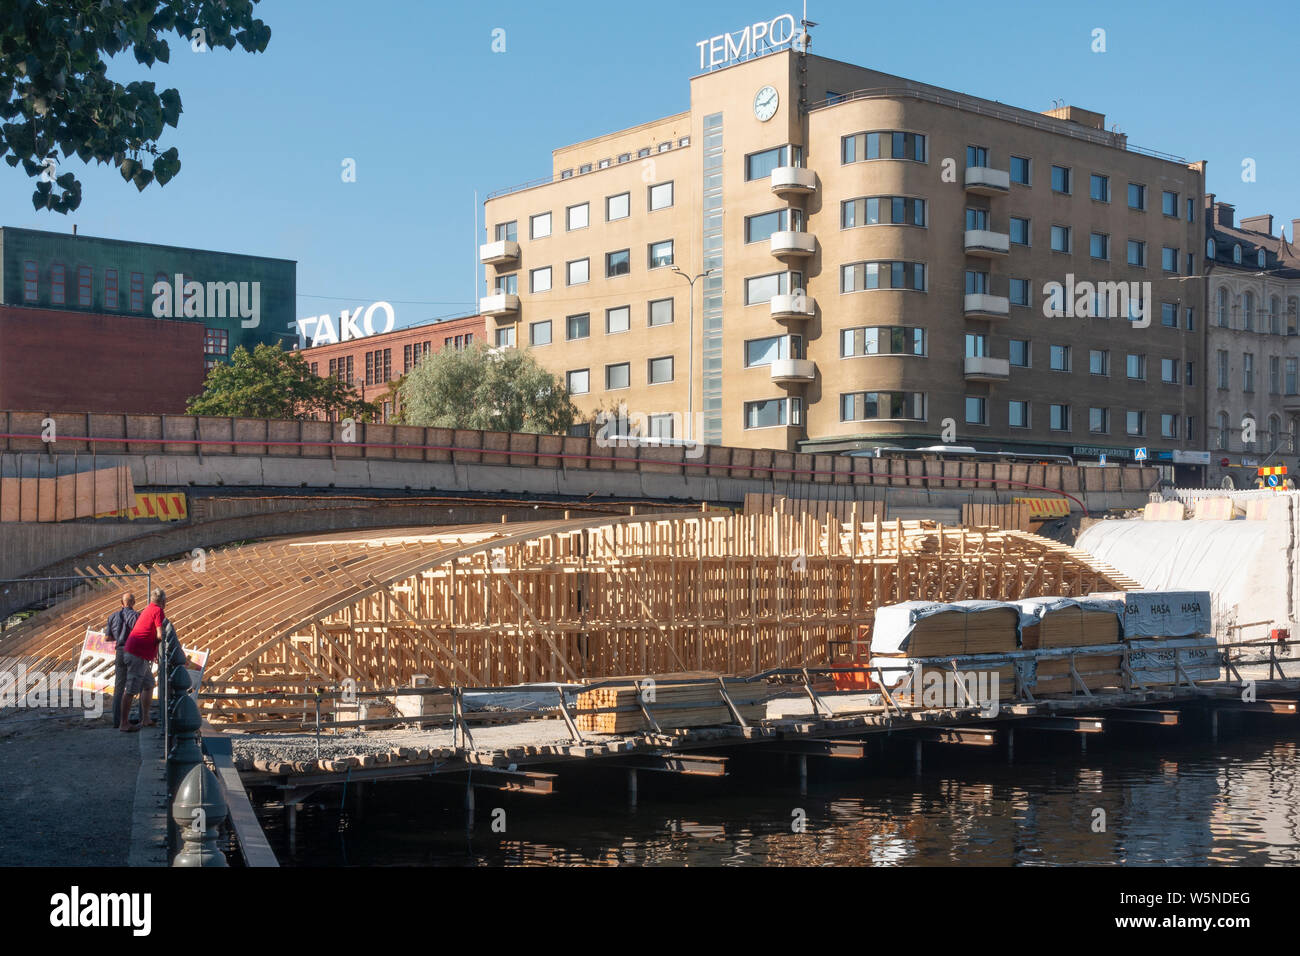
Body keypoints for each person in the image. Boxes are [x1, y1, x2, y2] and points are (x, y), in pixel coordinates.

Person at [119, 588, 167, 733]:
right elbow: (160, 634)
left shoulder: (148, 608)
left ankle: (146, 718)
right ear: (163, 601)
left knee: (149, 684)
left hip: (136, 652)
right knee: (131, 689)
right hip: (137, 654)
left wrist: (154, 651)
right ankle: (124, 724)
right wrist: (164, 646)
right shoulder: (158, 611)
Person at [104, 592, 139, 727]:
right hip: (133, 651)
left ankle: (117, 721)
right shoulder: (136, 616)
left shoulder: (112, 617)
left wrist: (118, 637)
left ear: (121, 603)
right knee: (139, 685)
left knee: (119, 687)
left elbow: (107, 638)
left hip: (119, 652)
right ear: (133, 602)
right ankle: (141, 718)